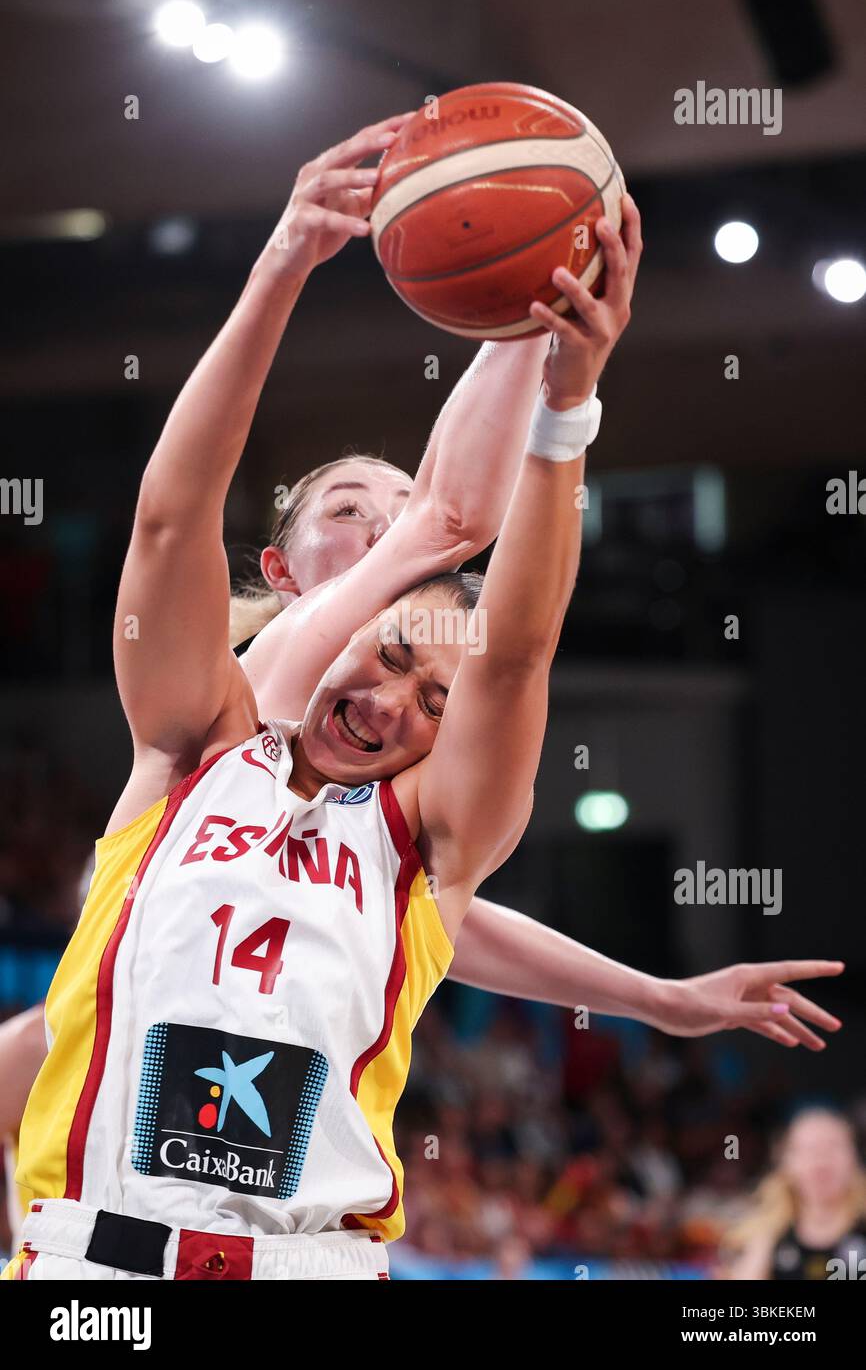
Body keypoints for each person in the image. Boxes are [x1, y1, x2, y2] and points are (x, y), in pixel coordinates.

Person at [1, 112, 843, 1270]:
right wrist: (283, 262)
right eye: (351, 513)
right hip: (100, 1269)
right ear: (283, 571)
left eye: (429, 681)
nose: (387, 534)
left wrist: (552, 354)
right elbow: (179, 514)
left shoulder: (422, 839)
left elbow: (505, 635)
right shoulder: (196, 736)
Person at [722, 1108, 866, 1280]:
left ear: (854, 1158)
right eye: (809, 1148)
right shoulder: (764, 1234)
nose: (821, 1158)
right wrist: (759, 1251)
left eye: (833, 1146)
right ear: (786, 1162)